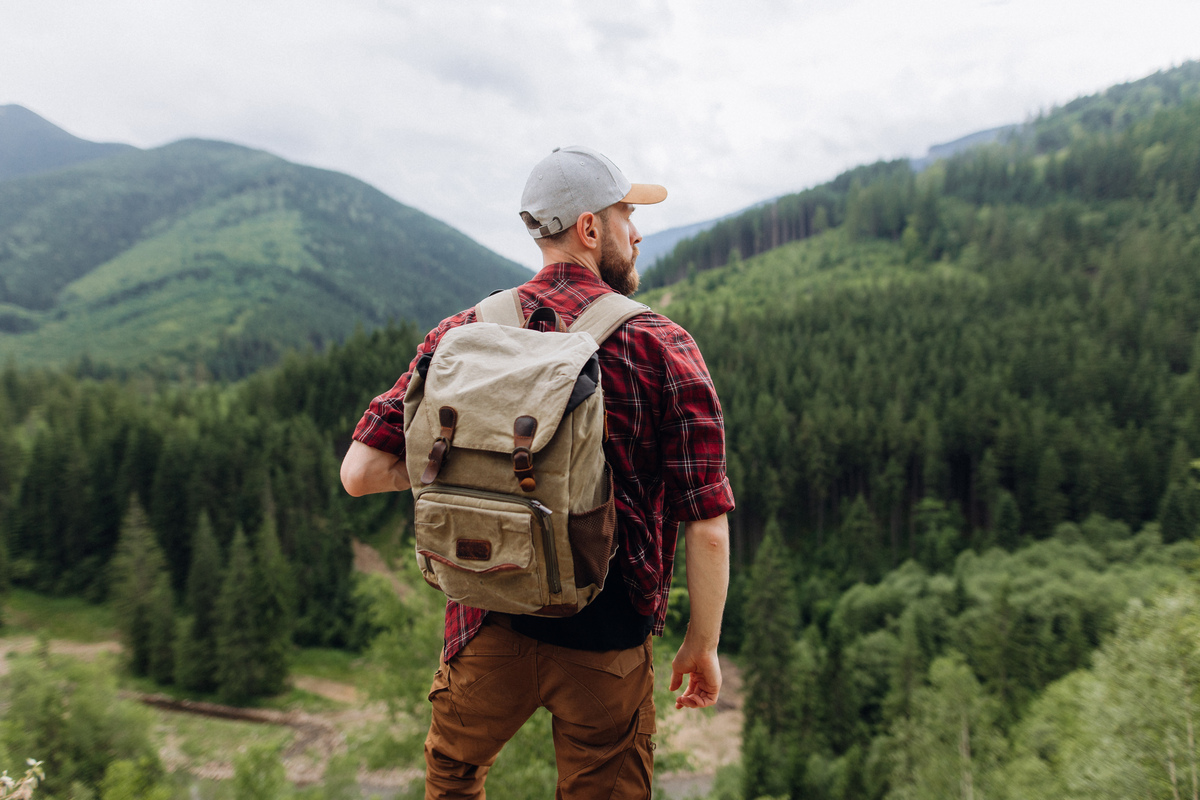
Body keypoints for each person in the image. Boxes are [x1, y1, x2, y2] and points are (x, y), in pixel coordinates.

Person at [340, 145, 734, 799]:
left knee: (455, 779)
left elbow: (361, 471)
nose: (636, 233)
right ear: (589, 228)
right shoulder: (662, 345)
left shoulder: (460, 334)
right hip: (606, 642)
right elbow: (709, 525)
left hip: (487, 619)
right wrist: (702, 645)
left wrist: (478, 462)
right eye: (626, 216)